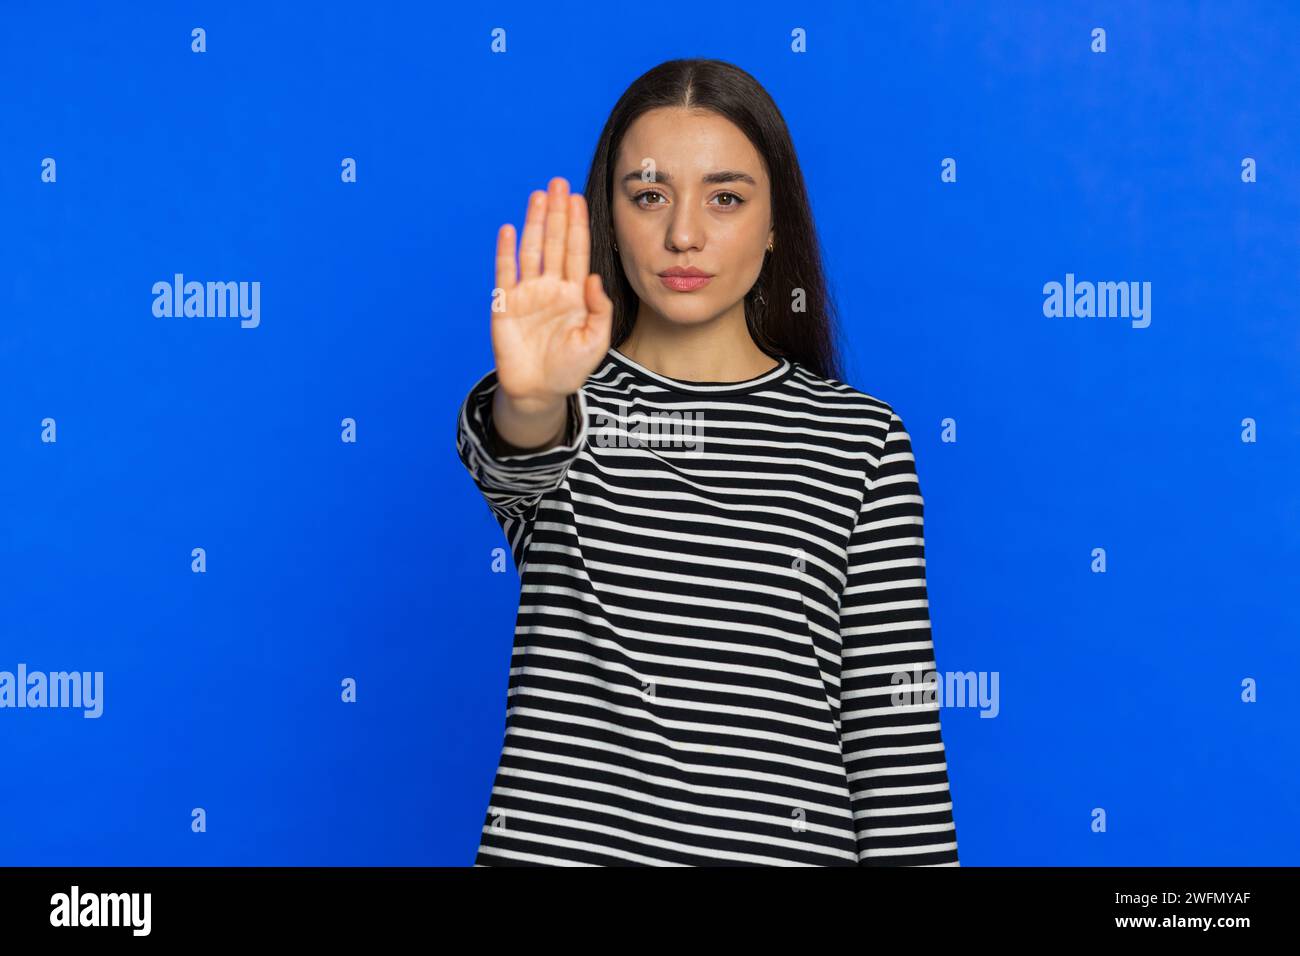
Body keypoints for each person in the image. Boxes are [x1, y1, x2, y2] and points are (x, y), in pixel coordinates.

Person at [456, 58, 959, 866]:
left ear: (774, 223)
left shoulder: (861, 440)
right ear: (609, 216)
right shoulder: (561, 404)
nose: (683, 233)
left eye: (725, 197)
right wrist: (535, 396)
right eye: (649, 195)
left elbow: (894, 748)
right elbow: (517, 451)